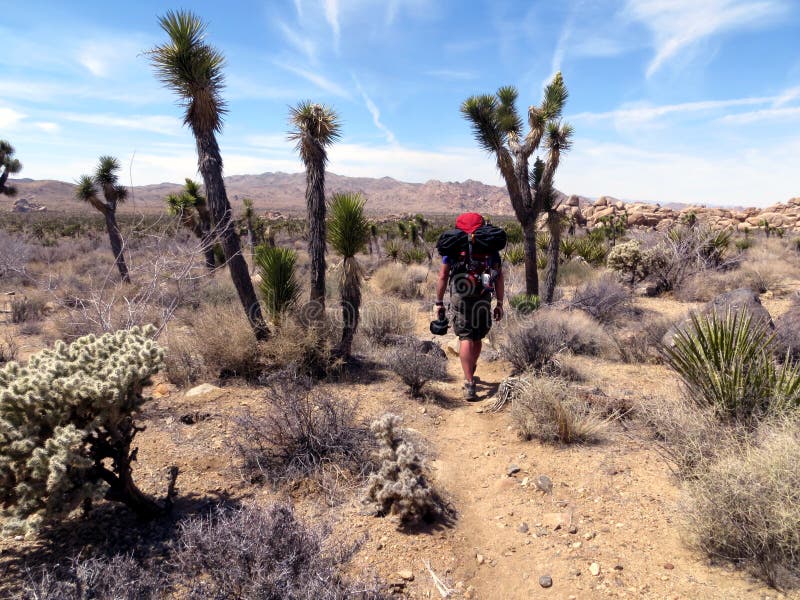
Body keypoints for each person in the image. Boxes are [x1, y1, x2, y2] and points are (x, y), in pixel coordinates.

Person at [434, 213, 504, 400]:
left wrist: (439, 302)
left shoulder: (454, 246)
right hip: (483, 295)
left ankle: (469, 383)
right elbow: (499, 276)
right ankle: (471, 367)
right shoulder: (489, 246)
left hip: (460, 296)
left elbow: (442, 276)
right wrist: (500, 303)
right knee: (478, 335)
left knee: (465, 336)